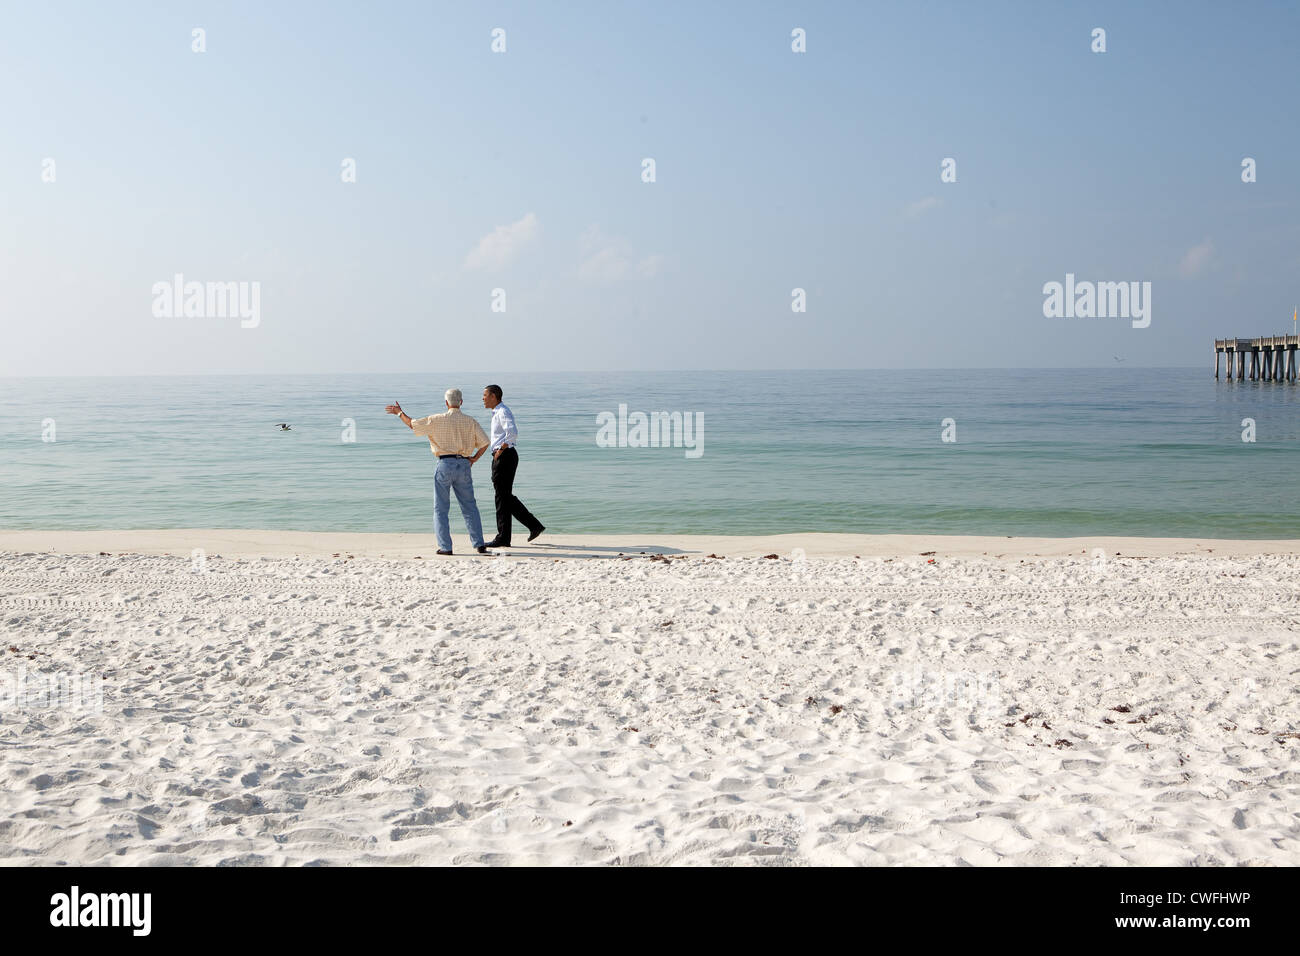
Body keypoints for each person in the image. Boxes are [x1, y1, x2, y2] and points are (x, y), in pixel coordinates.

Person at [386, 389, 492, 555]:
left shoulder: (436, 420)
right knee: (470, 507)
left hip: (445, 464)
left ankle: (446, 547)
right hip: (464, 464)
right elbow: (486, 442)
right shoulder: (470, 421)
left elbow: (412, 424)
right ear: (461, 402)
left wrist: (399, 412)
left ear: (446, 403)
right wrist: (474, 459)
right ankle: (479, 544)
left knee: (441, 508)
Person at [481, 384, 545, 547]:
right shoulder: (498, 412)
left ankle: (504, 537)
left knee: (502, 498)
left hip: (505, 456)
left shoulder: (502, 411)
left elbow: (512, 432)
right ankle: (532, 526)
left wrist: (500, 450)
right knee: (504, 497)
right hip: (504, 456)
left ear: (494, 396)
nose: (483, 398)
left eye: (485, 395)